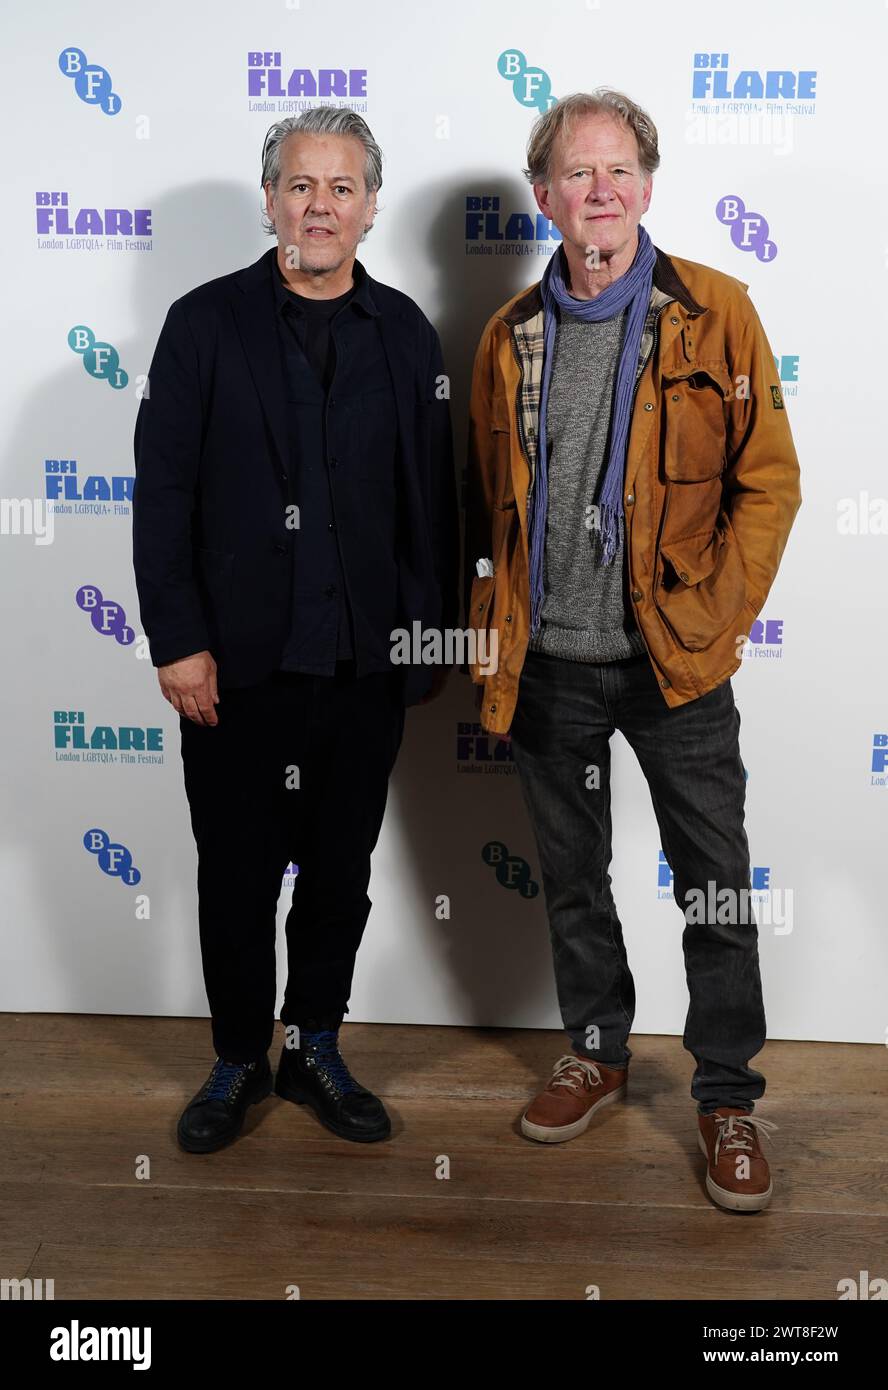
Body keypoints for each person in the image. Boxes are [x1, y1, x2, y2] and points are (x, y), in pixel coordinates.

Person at [465, 89, 801, 1212]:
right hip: (550, 660)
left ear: (647, 187)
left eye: (619, 171)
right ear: (545, 195)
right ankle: (598, 1049)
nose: (599, 191)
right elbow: (489, 513)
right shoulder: (504, 338)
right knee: (573, 875)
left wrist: (714, 617)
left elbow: (769, 484)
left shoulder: (719, 314)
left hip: (675, 662)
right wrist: (492, 631)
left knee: (712, 883)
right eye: (577, 173)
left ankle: (727, 1095)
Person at [133, 107, 458, 1155]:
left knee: (340, 871)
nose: (320, 206)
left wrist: (425, 639)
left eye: (342, 188)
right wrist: (176, 639)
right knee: (233, 869)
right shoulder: (202, 325)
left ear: (369, 209)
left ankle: (314, 1044)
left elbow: (432, 505)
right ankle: (237, 1055)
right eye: (301, 186)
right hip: (235, 666)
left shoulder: (407, 333)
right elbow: (164, 492)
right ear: (271, 198)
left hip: (362, 664)